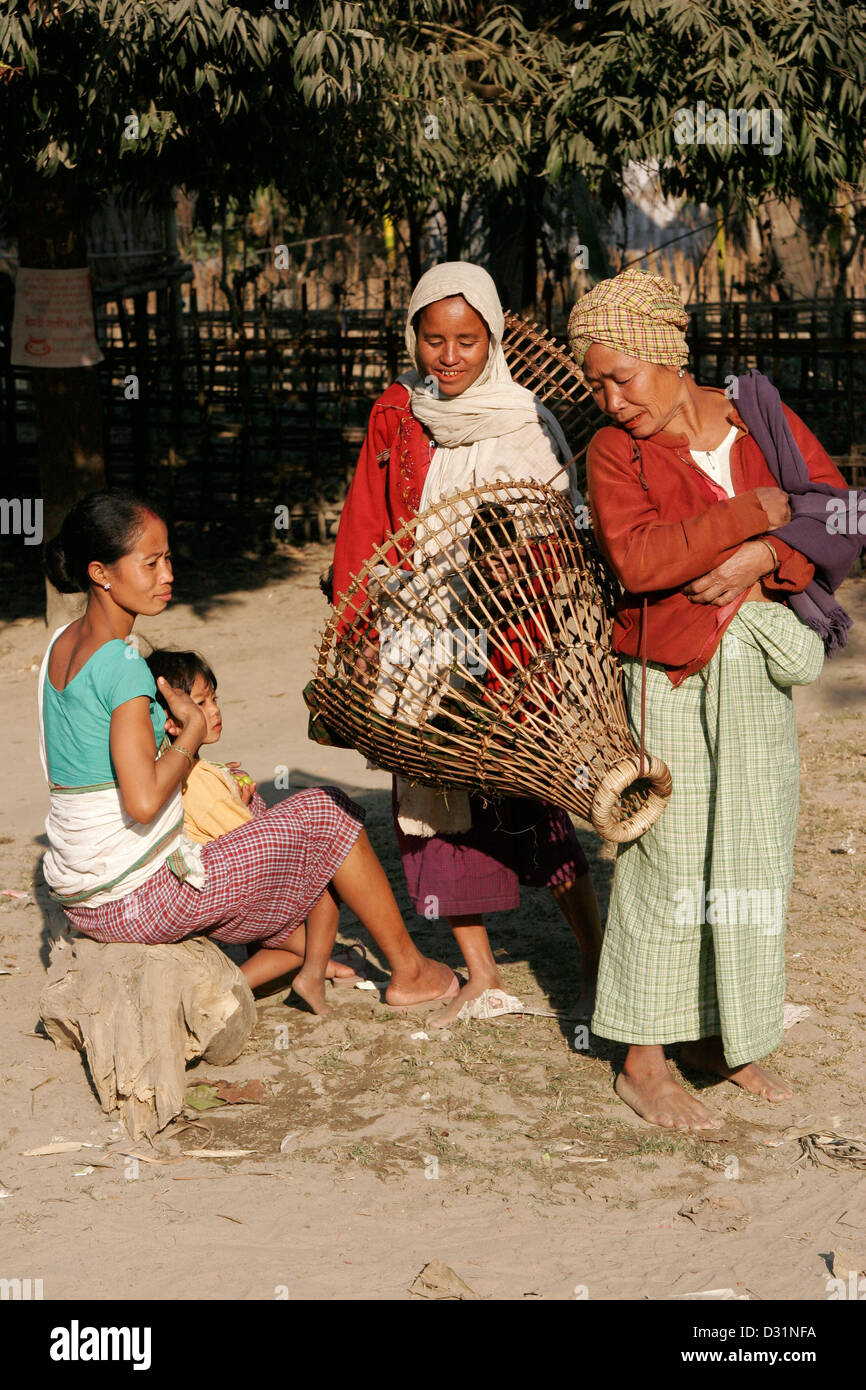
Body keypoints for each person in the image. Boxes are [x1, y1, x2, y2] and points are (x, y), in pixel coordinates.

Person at [568, 266, 851, 1131]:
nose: (613, 399)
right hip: (667, 674)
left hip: (754, 672)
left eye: (623, 376)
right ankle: (642, 1062)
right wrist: (751, 515)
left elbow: (839, 511)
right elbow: (643, 562)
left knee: (751, 859)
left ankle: (724, 1037)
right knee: (667, 861)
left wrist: (766, 558)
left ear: (666, 354)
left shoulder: (754, 411)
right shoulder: (616, 451)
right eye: (596, 383)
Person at [38, 491, 456, 1009]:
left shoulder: (61, 643)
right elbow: (143, 802)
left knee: (255, 805)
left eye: (168, 558)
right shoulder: (122, 667)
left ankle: (305, 954)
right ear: (100, 572)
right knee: (329, 809)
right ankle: (410, 971)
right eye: (150, 563)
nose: (168, 574)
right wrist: (189, 732)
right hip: (135, 899)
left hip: (82, 893)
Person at [332, 261, 604, 1025]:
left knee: (533, 801)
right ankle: (480, 969)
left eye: (467, 340)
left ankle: (594, 957)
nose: (448, 358)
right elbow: (367, 527)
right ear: (413, 337)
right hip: (421, 642)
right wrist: (365, 633)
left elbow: (557, 539)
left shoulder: (525, 425)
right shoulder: (399, 417)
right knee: (432, 803)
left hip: (510, 647)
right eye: (433, 340)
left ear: (493, 339)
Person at [145, 646, 363, 1010]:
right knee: (326, 868)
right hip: (237, 896)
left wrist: (236, 794)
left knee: (305, 941)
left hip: (222, 893)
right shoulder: (199, 780)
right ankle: (310, 969)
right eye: (200, 703)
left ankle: (278, 975)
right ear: (171, 721)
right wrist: (241, 805)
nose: (214, 710)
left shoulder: (183, 769)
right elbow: (247, 840)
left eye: (214, 698)